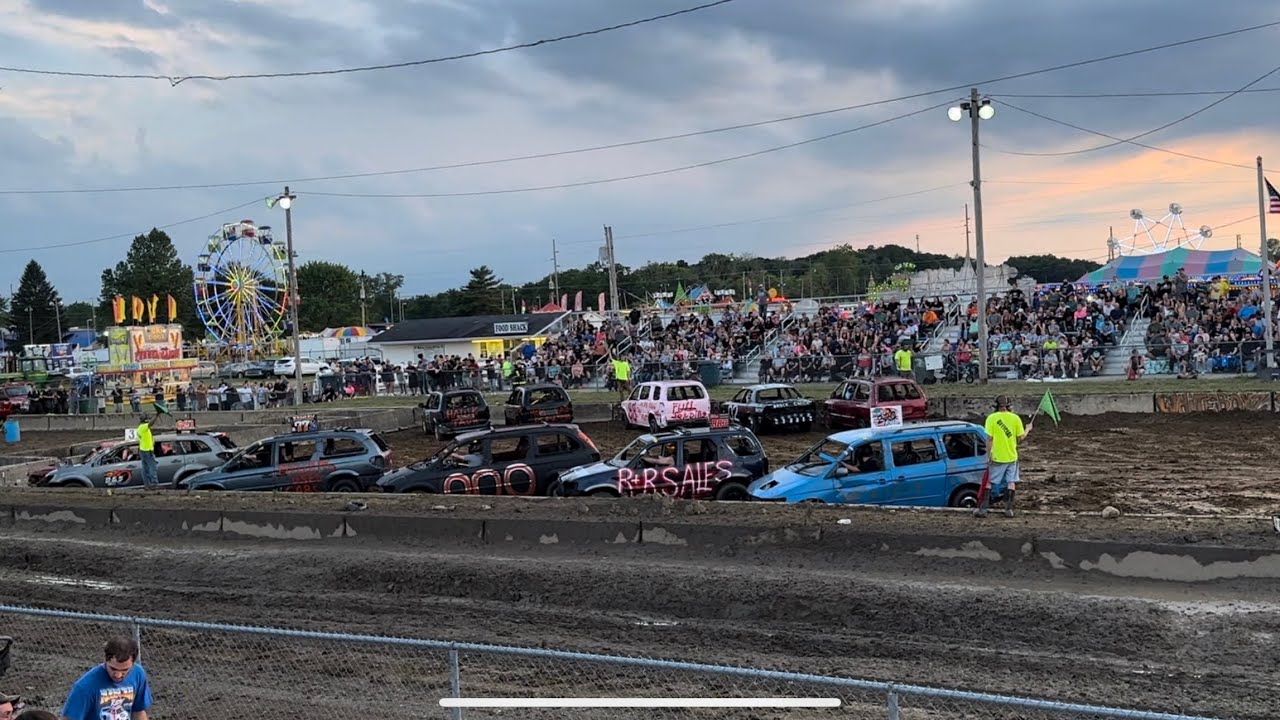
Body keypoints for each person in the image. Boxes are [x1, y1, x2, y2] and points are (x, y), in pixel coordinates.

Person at [60, 636, 152, 720]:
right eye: (113, 669)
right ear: (105, 660)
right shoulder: (85, 686)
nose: (118, 675)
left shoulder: (138, 674)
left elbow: (139, 711)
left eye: (125, 670)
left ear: (133, 663)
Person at [977, 395, 1031, 518]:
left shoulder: (991, 418)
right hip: (1012, 457)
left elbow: (989, 439)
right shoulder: (1015, 418)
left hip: (997, 457)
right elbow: (1021, 438)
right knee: (1011, 482)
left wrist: (989, 454)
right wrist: (1028, 429)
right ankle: (1009, 509)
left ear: (996, 405)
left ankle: (983, 510)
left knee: (989, 482)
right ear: (1008, 405)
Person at [136, 413, 162, 489]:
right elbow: (151, 423)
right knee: (152, 467)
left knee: (145, 468)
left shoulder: (140, 428)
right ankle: (154, 483)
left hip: (143, 450)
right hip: (147, 450)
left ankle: (147, 484)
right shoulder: (144, 427)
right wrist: (156, 416)